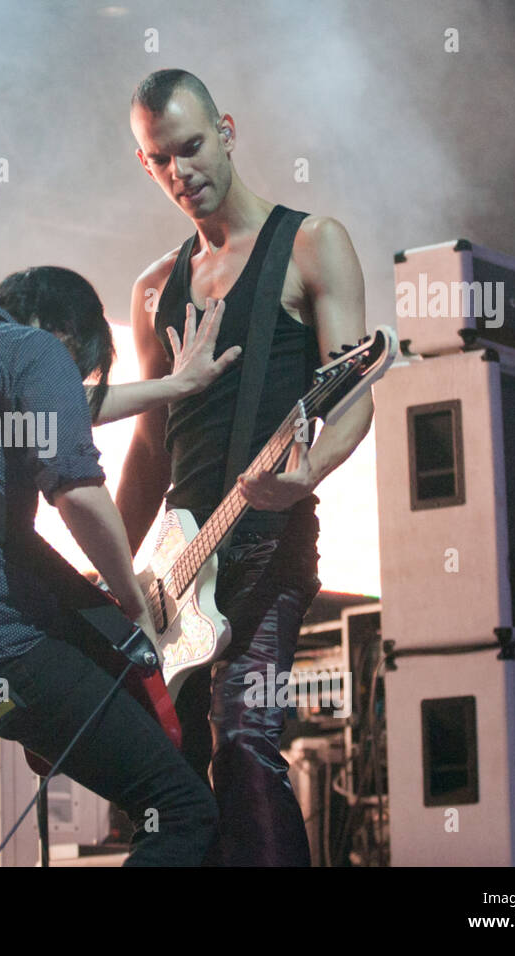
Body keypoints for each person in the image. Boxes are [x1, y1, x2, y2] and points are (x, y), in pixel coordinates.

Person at [0, 265, 240, 866]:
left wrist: (176, 386)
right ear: (66, 335)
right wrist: (133, 607)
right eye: (75, 364)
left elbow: (62, 406)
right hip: (1, 649)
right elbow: (78, 494)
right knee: (180, 808)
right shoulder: (36, 350)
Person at [118, 70, 374, 865]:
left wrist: (304, 476)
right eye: (160, 160)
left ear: (226, 129)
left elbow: (355, 397)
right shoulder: (155, 289)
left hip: (271, 541)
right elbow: (151, 447)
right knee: (172, 770)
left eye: (192, 148)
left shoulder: (311, 243)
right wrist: (114, 580)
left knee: (247, 735)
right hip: (174, 566)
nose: (179, 173)